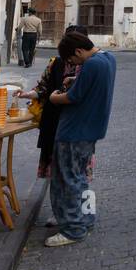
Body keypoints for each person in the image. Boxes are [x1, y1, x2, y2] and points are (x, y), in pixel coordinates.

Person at [45, 32, 116, 246]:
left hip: (74, 131)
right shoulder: (108, 58)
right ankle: (84, 217)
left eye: (72, 61)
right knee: (81, 177)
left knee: (67, 179)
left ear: (78, 51)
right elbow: (96, 82)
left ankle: (73, 228)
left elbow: (72, 97)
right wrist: (77, 78)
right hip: (91, 129)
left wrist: (53, 97)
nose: (72, 64)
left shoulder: (92, 65)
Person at [21, 24, 87, 229]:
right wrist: (28, 94)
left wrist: (60, 98)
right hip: (54, 124)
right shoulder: (55, 63)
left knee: (78, 174)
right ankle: (60, 213)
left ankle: (83, 213)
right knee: (57, 173)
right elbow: (42, 87)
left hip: (77, 126)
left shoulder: (89, 66)